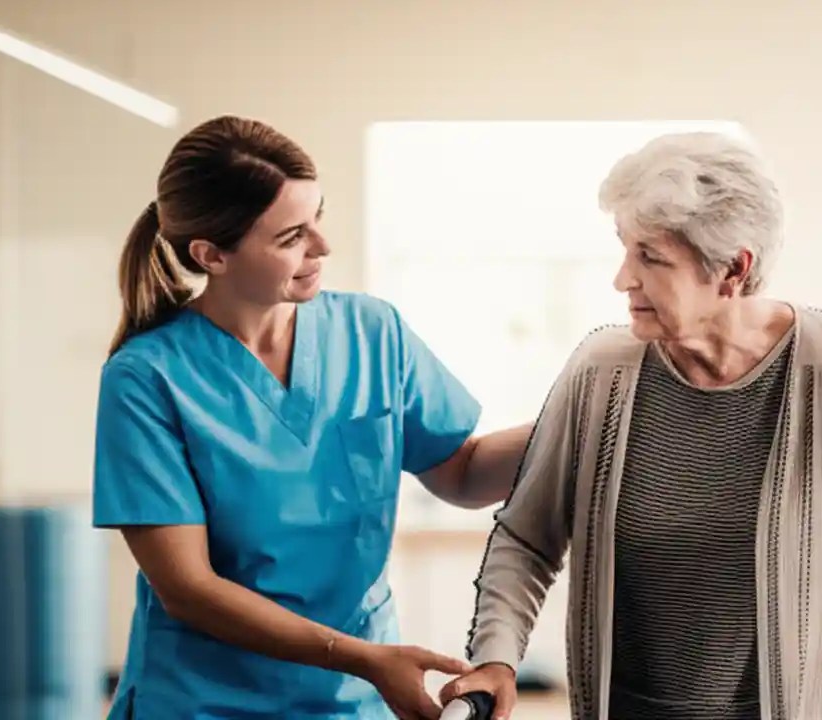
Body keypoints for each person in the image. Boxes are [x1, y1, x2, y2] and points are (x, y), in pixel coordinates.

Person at [440, 132, 822, 720]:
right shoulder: (600, 374)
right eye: (625, 249)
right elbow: (526, 538)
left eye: (651, 257)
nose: (623, 278)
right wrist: (495, 655)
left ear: (732, 269)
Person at [92, 115, 531, 719]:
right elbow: (187, 589)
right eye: (291, 235)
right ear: (211, 254)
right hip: (206, 702)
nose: (322, 245)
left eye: (318, 217)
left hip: (351, 702)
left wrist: (584, 423)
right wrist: (363, 658)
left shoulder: (373, 333)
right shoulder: (147, 378)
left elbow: (461, 473)